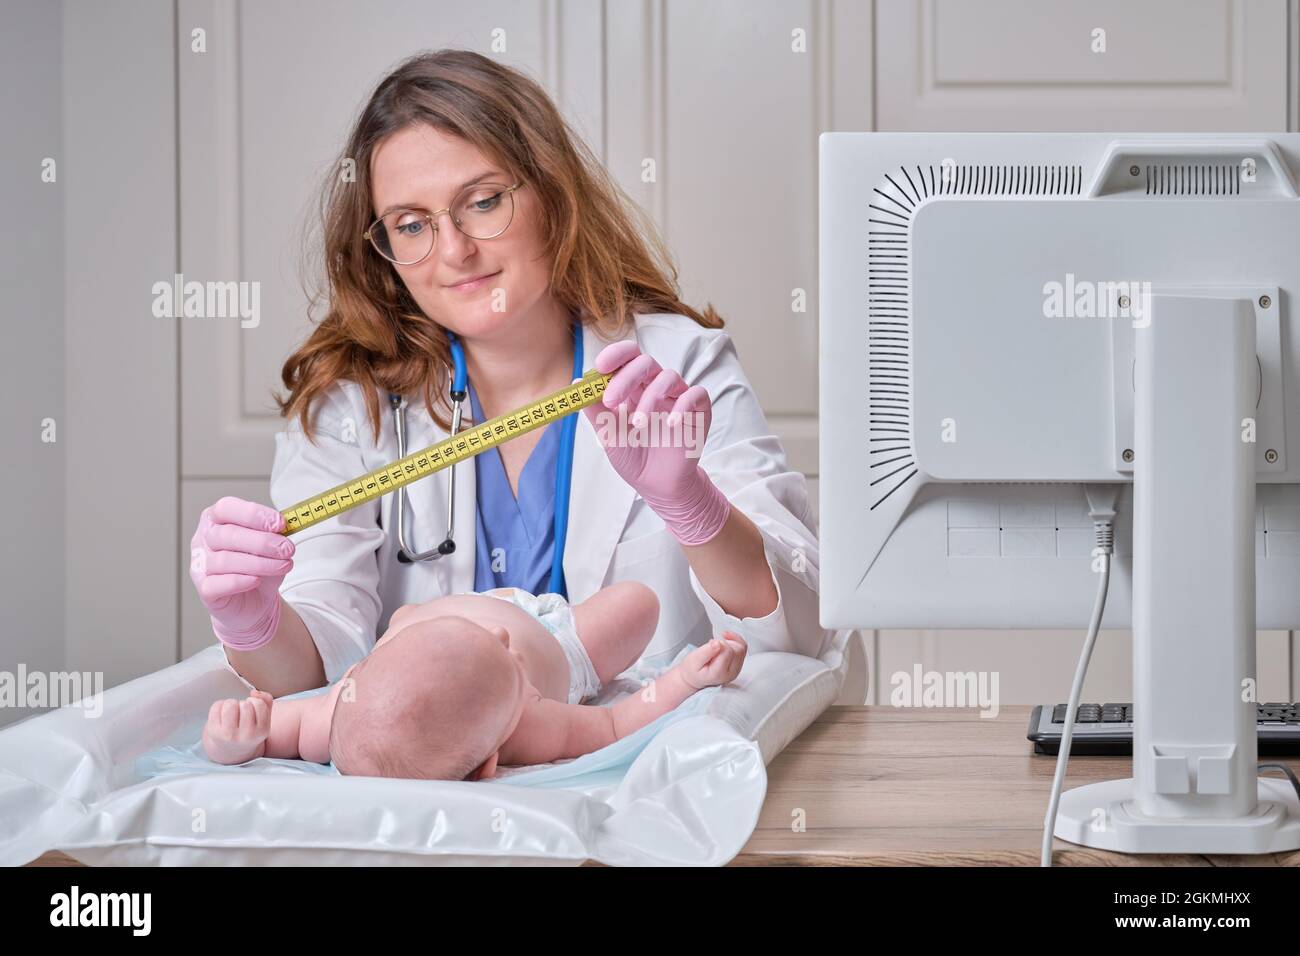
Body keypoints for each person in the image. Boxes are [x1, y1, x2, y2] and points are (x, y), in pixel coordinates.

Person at [188, 49, 832, 698]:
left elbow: (794, 634)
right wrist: (252, 622)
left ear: (551, 192)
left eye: (484, 202)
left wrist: (693, 507)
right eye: (412, 225)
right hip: (440, 789)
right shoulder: (352, 408)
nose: (455, 251)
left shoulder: (677, 364)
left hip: (640, 768)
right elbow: (311, 676)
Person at [201, 580, 748, 780]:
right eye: (509, 667)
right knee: (636, 606)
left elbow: (268, 735)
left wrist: (233, 741)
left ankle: (423, 624)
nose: (504, 644)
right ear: (493, 760)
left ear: (352, 678)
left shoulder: (336, 717)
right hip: (553, 632)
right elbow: (611, 723)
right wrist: (682, 679)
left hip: (435, 612)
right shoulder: (527, 726)